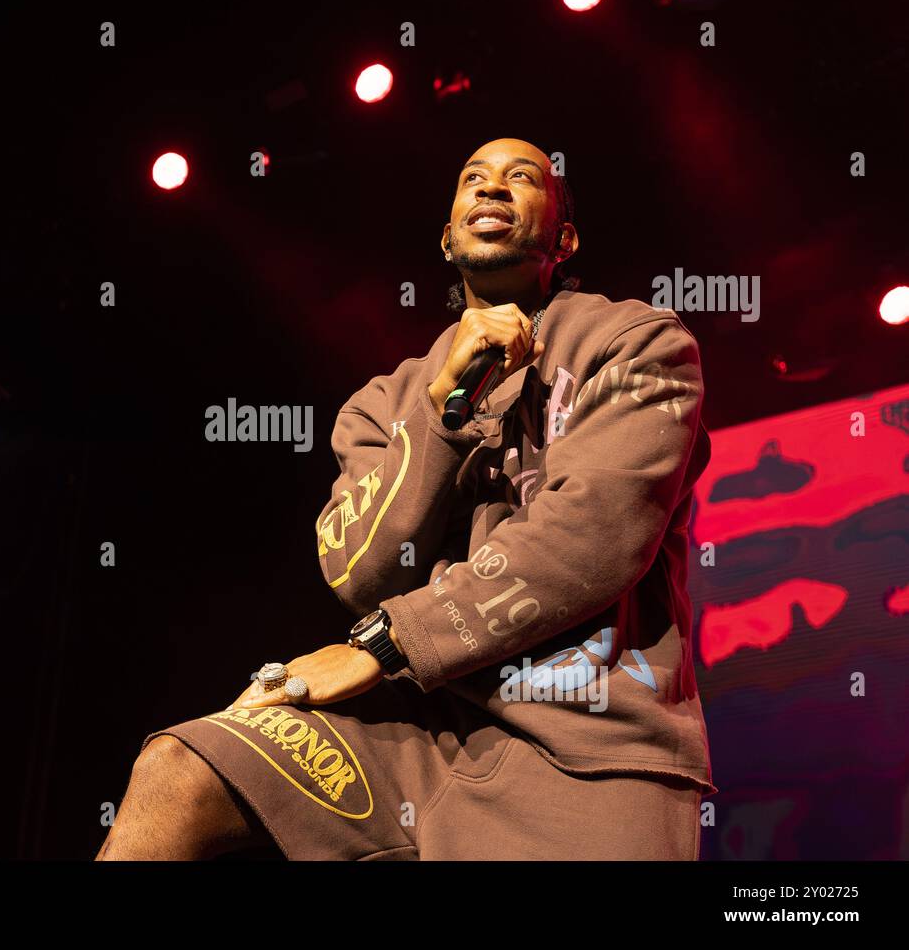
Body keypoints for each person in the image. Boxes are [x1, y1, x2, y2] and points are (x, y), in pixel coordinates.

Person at [96, 137, 716, 861]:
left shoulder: (637, 342)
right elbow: (358, 570)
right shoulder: (380, 404)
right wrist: (439, 413)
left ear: (564, 237)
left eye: (521, 178)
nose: (491, 190)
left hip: (585, 742)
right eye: (472, 181)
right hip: (410, 732)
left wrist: (389, 642)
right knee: (180, 767)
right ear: (447, 237)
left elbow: (594, 538)